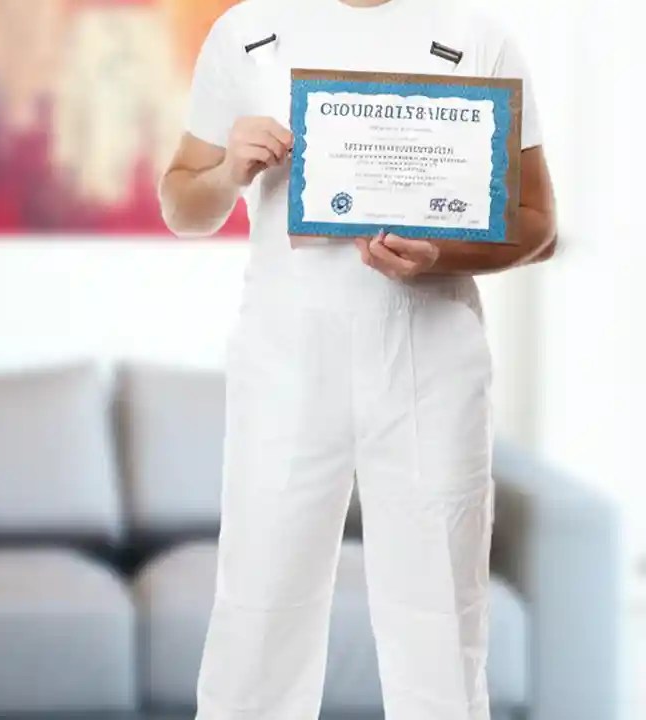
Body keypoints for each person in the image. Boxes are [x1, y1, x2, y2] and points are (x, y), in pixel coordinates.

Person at [158, 0, 557, 717]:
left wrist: (441, 254)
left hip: (432, 365)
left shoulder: (476, 38)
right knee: (259, 615)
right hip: (286, 361)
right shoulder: (247, 31)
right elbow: (183, 202)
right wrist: (226, 174)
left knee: (440, 623)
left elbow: (536, 223)